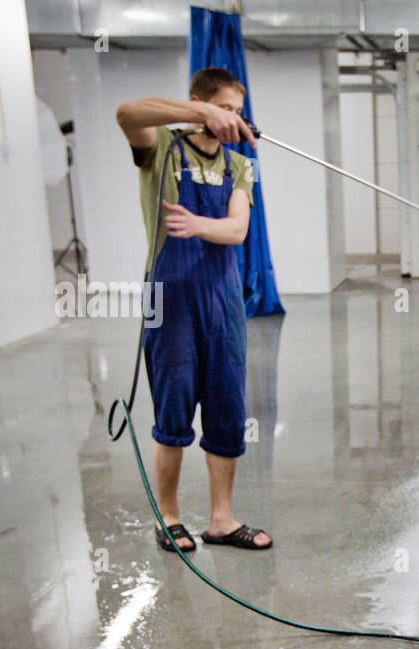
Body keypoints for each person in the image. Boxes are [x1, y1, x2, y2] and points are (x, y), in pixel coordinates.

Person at [116, 67, 272, 552]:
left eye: (237, 112)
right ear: (199, 105)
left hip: (222, 302)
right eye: (224, 109)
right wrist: (198, 113)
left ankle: (222, 521)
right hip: (172, 299)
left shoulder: (240, 165)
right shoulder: (161, 148)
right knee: (174, 408)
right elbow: (127, 113)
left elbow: (237, 231)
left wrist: (200, 224)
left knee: (226, 409)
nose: (232, 120)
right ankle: (169, 518)